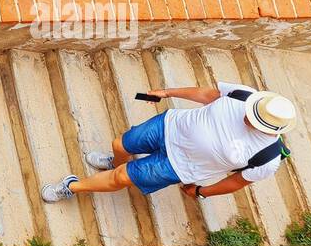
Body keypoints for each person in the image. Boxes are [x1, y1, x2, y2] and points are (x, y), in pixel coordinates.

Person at [41, 82, 296, 203]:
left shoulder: (268, 158)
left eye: (255, 120)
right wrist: (167, 92)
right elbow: (208, 94)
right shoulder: (246, 95)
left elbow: (237, 182)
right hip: (169, 126)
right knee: (119, 144)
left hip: (177, 166)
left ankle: (71, 187)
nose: (247, 116)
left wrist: (201, 191)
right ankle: (112, 162)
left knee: (121, 178)